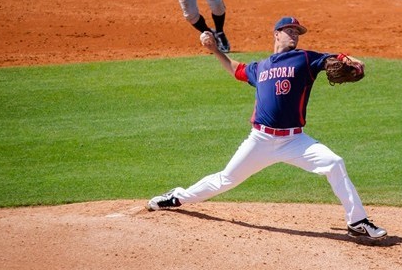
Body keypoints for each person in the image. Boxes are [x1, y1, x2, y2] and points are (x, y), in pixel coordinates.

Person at [146, 16, 387, 240]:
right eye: (289, 30)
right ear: (276, 34)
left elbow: (330, 60)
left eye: (297, 32)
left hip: (295, 141)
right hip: (260, 140)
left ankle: (357, 222)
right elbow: (236, 69)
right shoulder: (260, 67)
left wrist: (348, 58)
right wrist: (214, 50)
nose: (294, 34)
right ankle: (177, 197)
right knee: (225, 179)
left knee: (334, 163)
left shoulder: (304, 58)